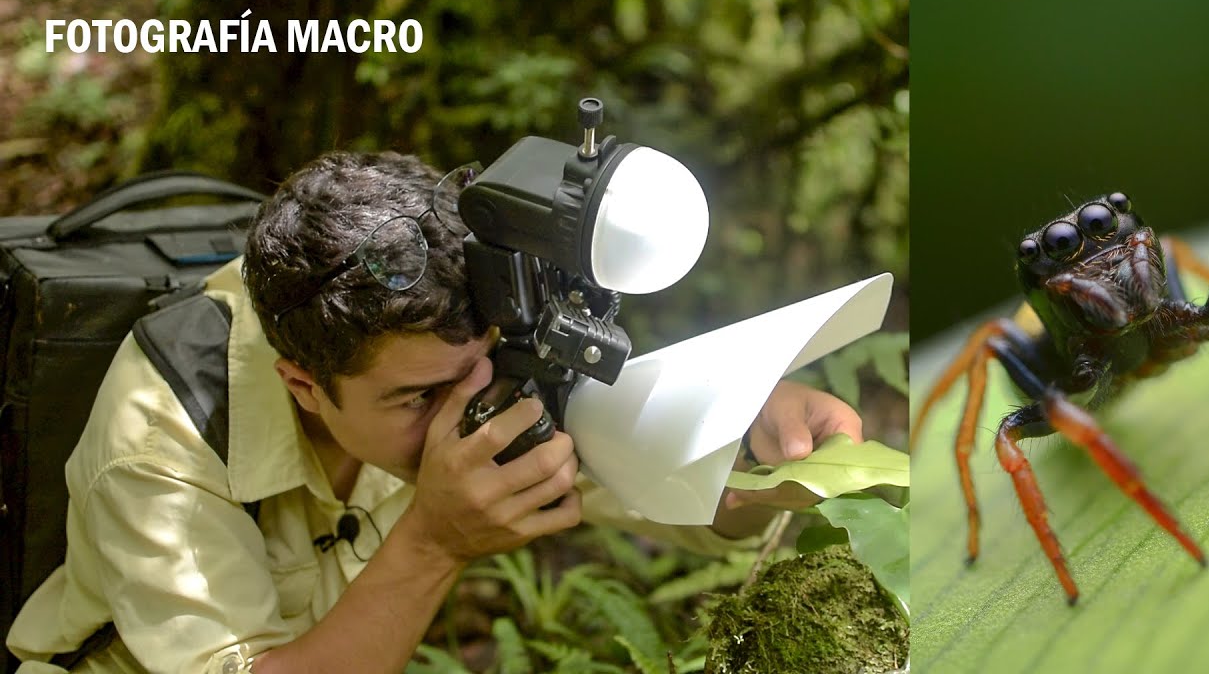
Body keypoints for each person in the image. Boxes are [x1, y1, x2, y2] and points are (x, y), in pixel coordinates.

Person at [6, 152, 862, 673]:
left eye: (481, 367)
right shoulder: (159, 438)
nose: (470, 410)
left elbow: (663, 490)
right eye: (417, 399)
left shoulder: (463, 345)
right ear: (304, 385)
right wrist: (438, 540)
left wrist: (760, 451)